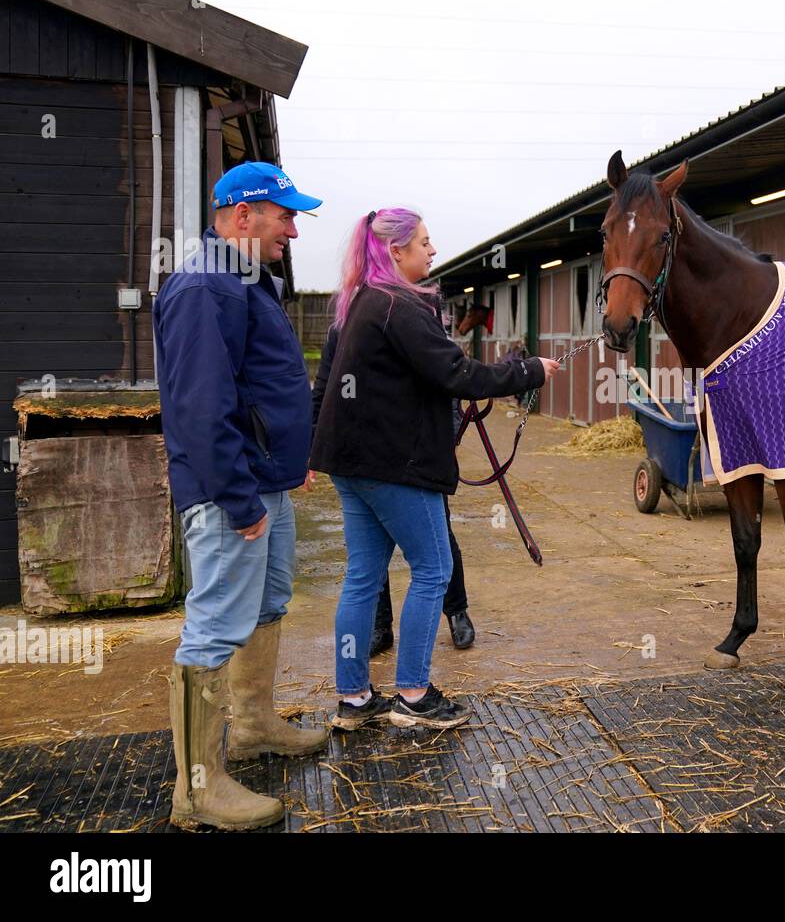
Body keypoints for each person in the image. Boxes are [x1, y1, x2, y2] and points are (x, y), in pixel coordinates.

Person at [310, 208, 557, 731]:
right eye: (423, 241)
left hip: (352, 463)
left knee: (361, 577)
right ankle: (414, 696)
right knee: (433, 569)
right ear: (395, 251)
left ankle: (354, 699)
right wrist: (529, 370)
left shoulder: (360, 302)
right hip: (393, 464)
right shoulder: (400, 304)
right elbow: (455, 372)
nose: (433, 249)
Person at [153, 161, 326, 831]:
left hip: (263, 482)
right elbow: (201, 408)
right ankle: (197, 788)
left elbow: (257, 387)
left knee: (267, 602)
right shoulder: (207, 288)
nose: (293, 229)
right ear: (243, 214)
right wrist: (238, 497)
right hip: (233, 493)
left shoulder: (245, 283)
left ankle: (251, 727)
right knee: (216, 624)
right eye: (284, 215)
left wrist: (288, 464)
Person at [311, 315, 475, 658]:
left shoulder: (418, 318)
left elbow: (448, 380)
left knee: (439, 536)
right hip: (370, 458)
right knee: (373, 555)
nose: (431, 256)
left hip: (417, 458)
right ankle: (381, 627)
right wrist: (310, 446)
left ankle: (457, 611)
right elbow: (325, 390)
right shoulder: (343, 327)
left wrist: (448, 434)